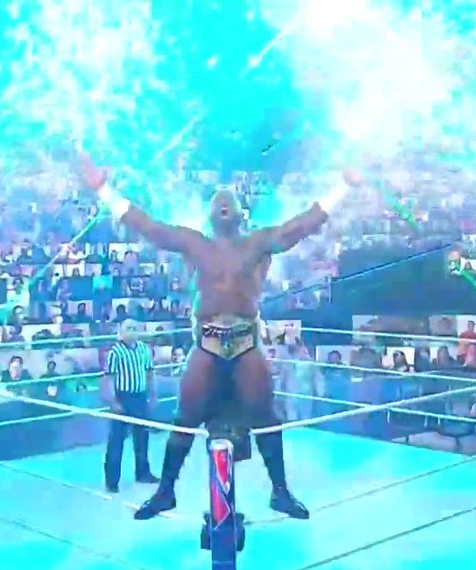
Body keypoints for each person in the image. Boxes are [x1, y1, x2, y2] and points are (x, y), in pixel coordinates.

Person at [79, 152, 358, 520]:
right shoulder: (195, 243)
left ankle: (280, 490)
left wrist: (344, 187)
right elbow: (147, 226)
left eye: (230, 202)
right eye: (217, 201)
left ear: (241, 214)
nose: (224, 203)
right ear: (210, 215)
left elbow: (302, 225)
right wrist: (103, 190)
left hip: (245, 338)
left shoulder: (258, 242)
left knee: (266, 416)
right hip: (208, 339)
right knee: (185, 416)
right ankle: (166, 490)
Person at [102, 319, 159, 492]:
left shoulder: (144, 349)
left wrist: (152, 395)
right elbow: (109, 378)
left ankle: (143, 473)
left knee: (142, 437)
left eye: (134, 328)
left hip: (140, 396)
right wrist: (113, 401)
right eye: (128, 328)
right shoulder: (115, 352)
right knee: (116, 440)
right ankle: (112, 481)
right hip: (122, 397)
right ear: (121, 331)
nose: (131, 331)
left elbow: (150, 373)